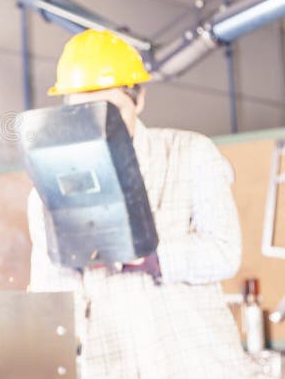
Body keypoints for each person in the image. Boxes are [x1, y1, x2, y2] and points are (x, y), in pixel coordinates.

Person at [27, 29, 257, 378]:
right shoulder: (47, 188)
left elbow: (224, 252)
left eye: (111, 109)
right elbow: (53, 291)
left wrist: (146, 255)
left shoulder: (191, 154)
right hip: (111, 364)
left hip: (196, 364)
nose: (100, 124)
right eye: (84, 110)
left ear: (139, 99)